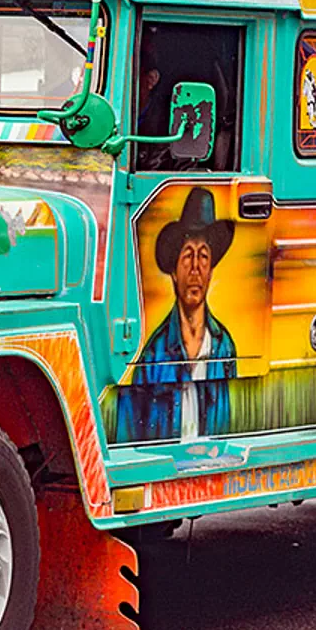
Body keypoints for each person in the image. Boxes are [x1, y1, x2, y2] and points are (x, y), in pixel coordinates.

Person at [115, 187, 239, 443]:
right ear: (173, 271)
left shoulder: (223, 346)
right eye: (187, 255)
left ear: (211, 271)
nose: (195, 268)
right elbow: (129, 435)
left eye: (203, 256)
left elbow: (226, 428)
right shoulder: (153, 354)